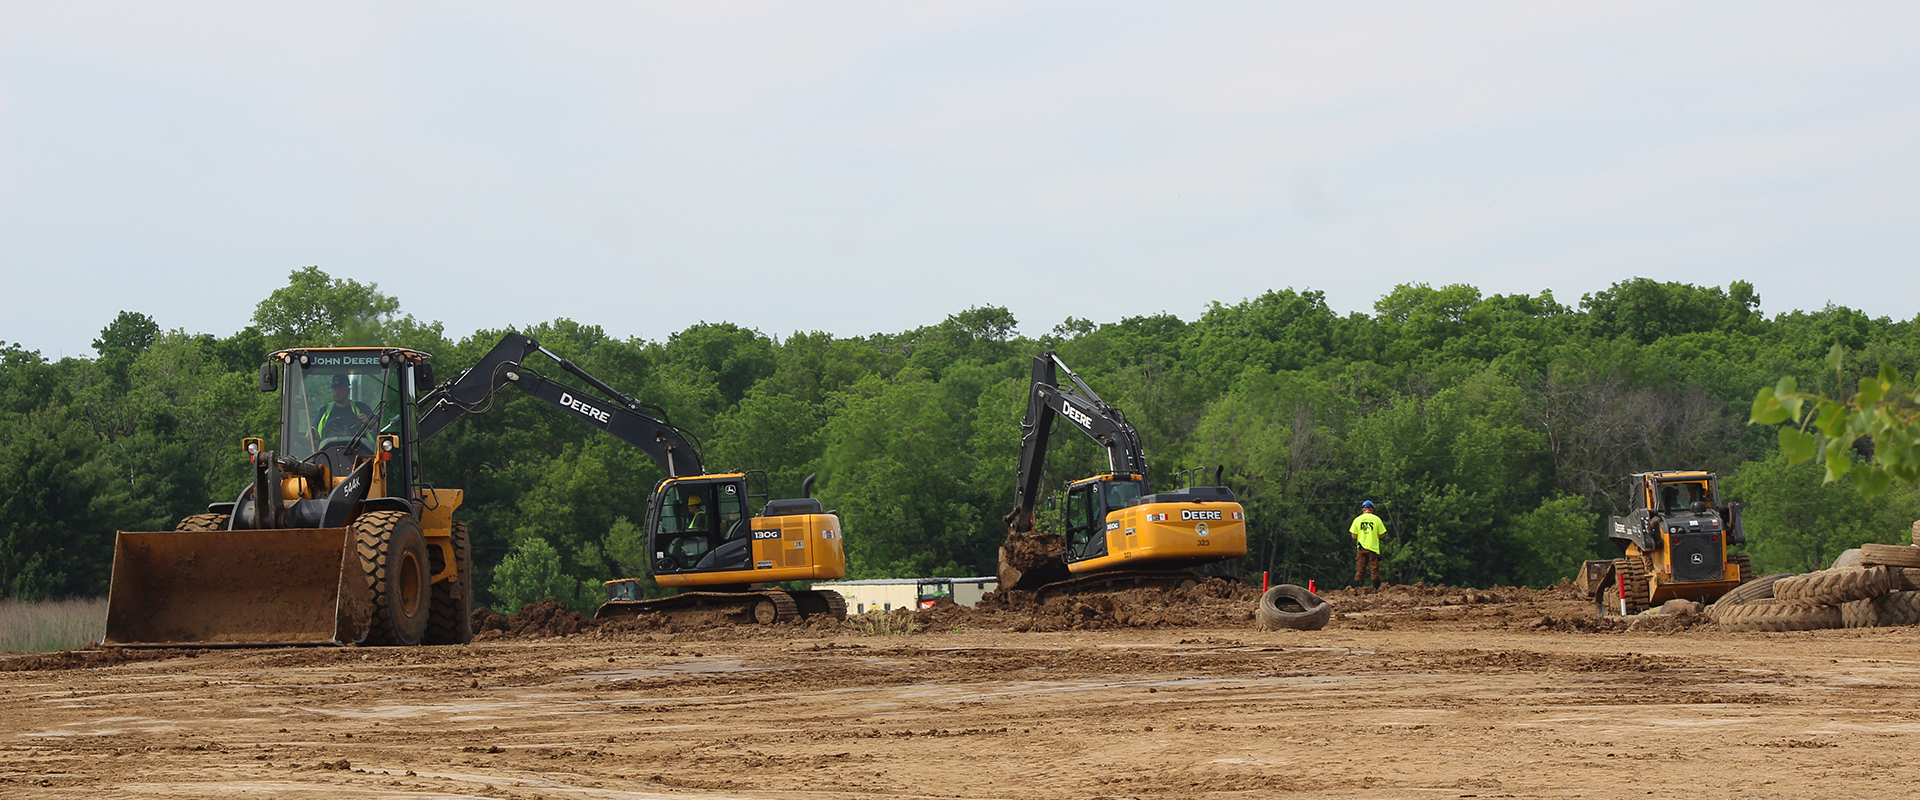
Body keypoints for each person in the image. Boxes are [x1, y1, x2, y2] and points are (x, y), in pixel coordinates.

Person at [312, 374, 373, 443]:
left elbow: (377, 427)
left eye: (340, 389)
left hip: (358, 447)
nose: (336, 392)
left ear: (348, 391)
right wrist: (312, 432)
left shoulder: (361, 408)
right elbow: (313, 430)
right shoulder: (324, 411)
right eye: (334, 389)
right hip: (329, 449)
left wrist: (369, 422)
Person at [1350, 500, 1385, 589]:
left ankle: (1358, 588)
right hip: (1373, 548)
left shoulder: (1357, 519)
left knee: (1360, 569)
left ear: (1363, 509)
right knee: (1374, 569)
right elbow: (1382, 535)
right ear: (1372, 509)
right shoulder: (1377, 519)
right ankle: (1376, 588)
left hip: (1361, 547)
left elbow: (1353, 536)